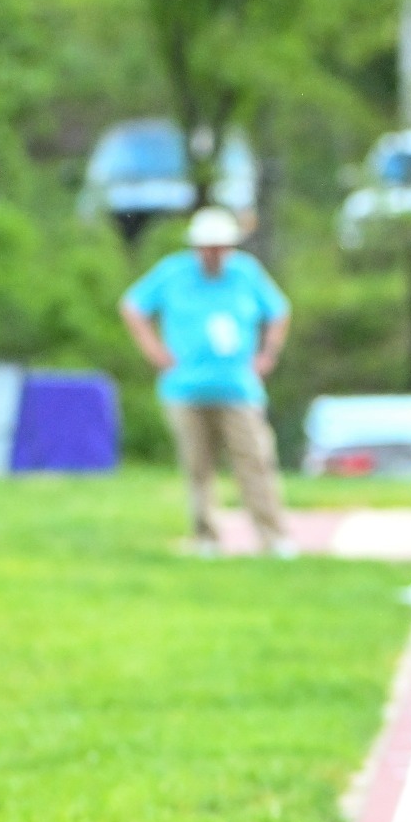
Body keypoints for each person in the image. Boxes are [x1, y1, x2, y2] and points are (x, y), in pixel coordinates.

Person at [120, 206, 296, 558]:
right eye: (207, 246)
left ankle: (272, 536)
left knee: (255, 462)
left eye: (220, 246)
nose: (213, 253)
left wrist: (268, 354)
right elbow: (132, 305)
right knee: (198, 468)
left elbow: (278, 311)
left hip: (238, 388)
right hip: (186, 389)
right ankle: (207, 538)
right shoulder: (173, 273)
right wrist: (155, 351)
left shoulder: (246, 273)